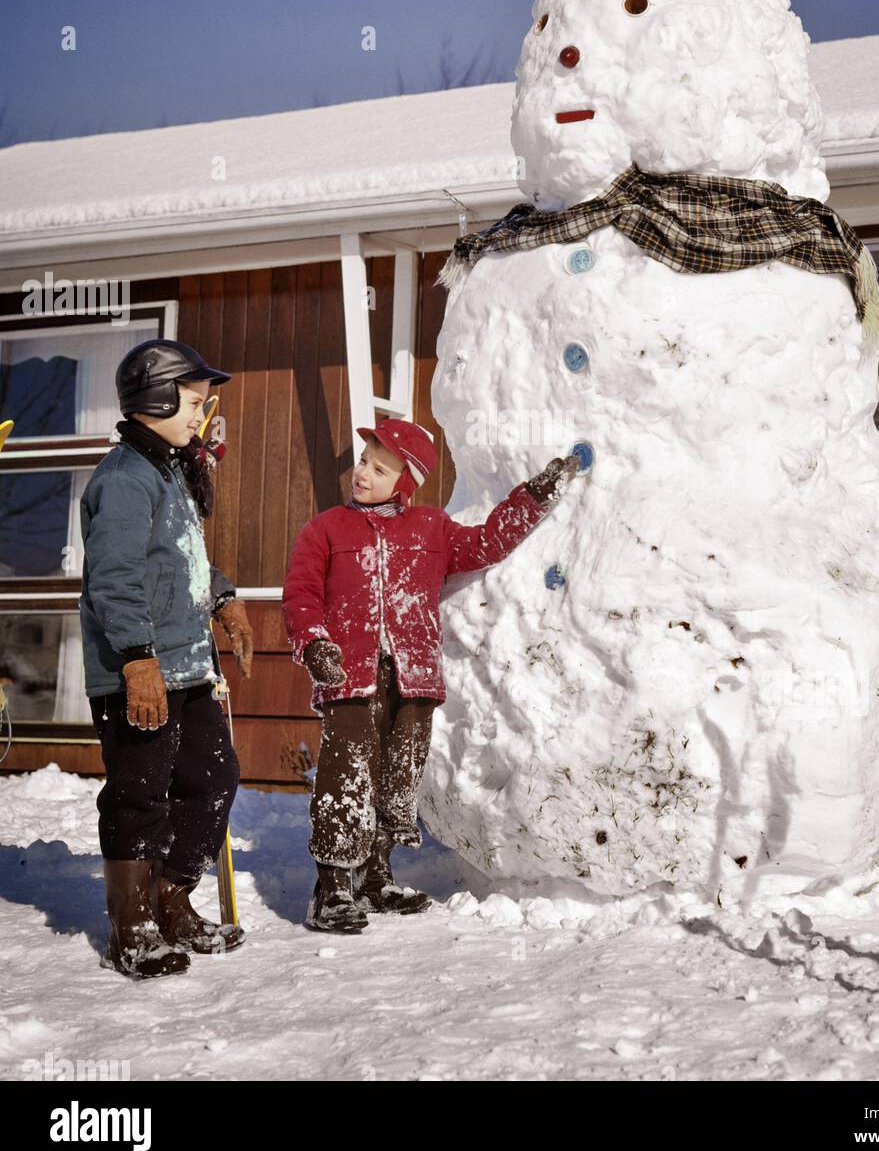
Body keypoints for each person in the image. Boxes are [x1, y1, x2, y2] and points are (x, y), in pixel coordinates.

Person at [282, 418, 580, 933]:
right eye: (363, 463)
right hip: (349, 676)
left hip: (412, 677)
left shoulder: (431, 530)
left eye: (379, 468)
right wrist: (313, 644)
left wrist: (533, 496)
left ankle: (376, 876)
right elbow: (301, 594)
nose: (363, 474)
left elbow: (487, 542)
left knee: (399, 777)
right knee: (346, 778)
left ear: (405, 481)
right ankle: (332, 888)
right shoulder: (326, 528)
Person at [80, 339, 255, 979]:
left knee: (212, 778)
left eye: (205, 406)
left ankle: (172, 897)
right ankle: (132, 926)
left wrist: (224, 598)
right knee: (139, 794)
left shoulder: (170, 471)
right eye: (193, 402)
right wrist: (136, 660)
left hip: (187, 666)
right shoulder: (124, 478)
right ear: (154, 397)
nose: (200, 416)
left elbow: (182, 561)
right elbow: (117, 576)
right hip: (140, 673)